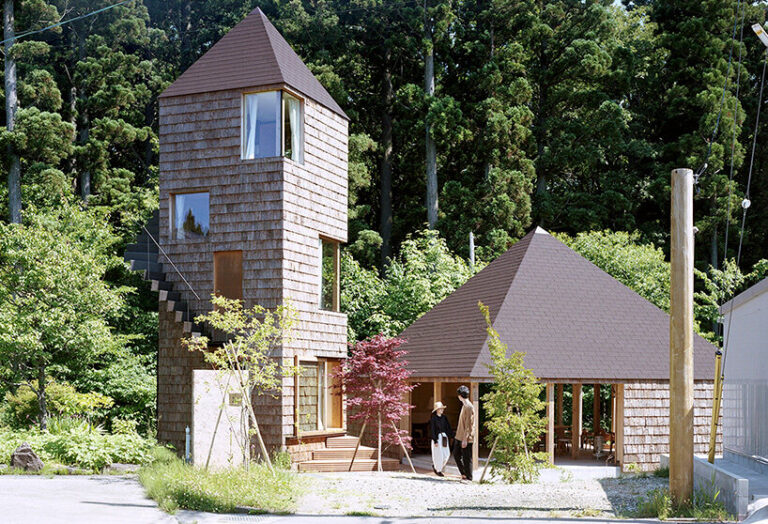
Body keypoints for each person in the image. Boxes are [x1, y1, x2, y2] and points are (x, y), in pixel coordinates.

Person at [453, 385, 474, 481]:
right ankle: (464, 473)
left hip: (466, 437)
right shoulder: (464, 405)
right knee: (456, 454)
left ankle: (469, 477)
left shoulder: (469, 406)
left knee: (467, 458)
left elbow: (468, 424)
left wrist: (465, 439)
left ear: (460, 396)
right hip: (459, 435)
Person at [429, 401, 453, 476]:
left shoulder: (444, 418)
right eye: (440, 408)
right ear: (437, 410)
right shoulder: (433, 418)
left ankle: (436, 467)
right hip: (437, 438)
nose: (442, 410)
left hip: (444, 437)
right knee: (438, 455)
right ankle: (438, 470)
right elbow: (432, 430)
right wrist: (435, 440)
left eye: (442, 408)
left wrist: (451, 436)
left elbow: (448, 427)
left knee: (446, 454)